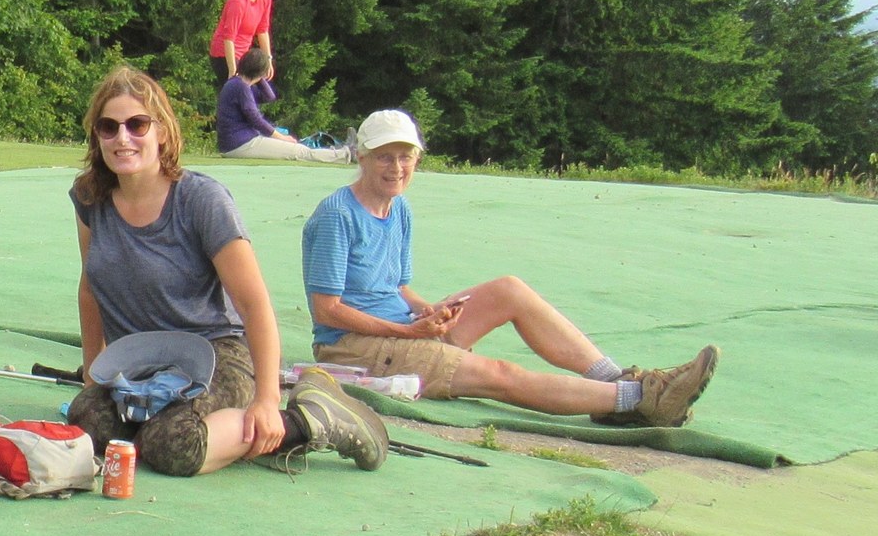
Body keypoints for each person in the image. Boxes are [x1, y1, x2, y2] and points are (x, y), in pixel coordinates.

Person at [66, 68, 389, 477]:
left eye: (137, 124)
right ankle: (204, 428)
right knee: (87, 423)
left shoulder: (203, 201)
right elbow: (89, 290)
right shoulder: (89, 197)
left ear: (162, 131)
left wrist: (268, 401)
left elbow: (254, 305)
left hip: (215, 351)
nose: (122, 138)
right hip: (141, 361)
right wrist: (93, 375)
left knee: (172, 444)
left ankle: (309, 419)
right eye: (108, 127)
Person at [302, 110, 719, 426]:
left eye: (406, 157)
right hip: (354, 347)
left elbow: (398, 287)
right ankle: (640, 401)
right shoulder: (338, 215)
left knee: (510, 289)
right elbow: (328, 311)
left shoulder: (400, 208)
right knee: (498, 374)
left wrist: (428, 311)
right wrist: (409, 331)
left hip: (401, 330)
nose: (397, 168)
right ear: (362, 157)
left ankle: (617, 379)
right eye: (385, 158)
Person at [217, 49, 352, 163]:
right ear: (260, 71)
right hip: (241, 144)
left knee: (297, 148)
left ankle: (343, 152)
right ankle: (347, 154)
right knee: (300, 151)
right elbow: (255, 119)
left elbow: (269, 97)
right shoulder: (241, 87)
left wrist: (259, 78)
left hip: (238, 142)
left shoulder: (238, 83)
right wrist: (281, 137)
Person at [209, 0, 275, 80]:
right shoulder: (238, 2)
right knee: (240, 94)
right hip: (225, 55)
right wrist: (233, 71)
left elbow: (262, 30)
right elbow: (228, 38)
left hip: (244, 56)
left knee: (266, 94)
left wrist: (268, 60)